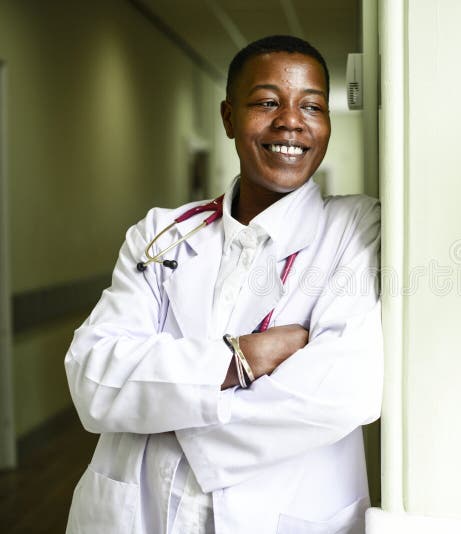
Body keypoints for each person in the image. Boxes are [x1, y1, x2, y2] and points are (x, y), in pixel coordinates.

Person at [64, 35, 382, 534]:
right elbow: (92, 375)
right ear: (229, 118)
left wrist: (165, 407)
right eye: (267, 102)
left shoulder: (356, 227)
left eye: (312, 106)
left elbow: (343, 390)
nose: (291, 121)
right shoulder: (162, 233)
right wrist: (241, 358)